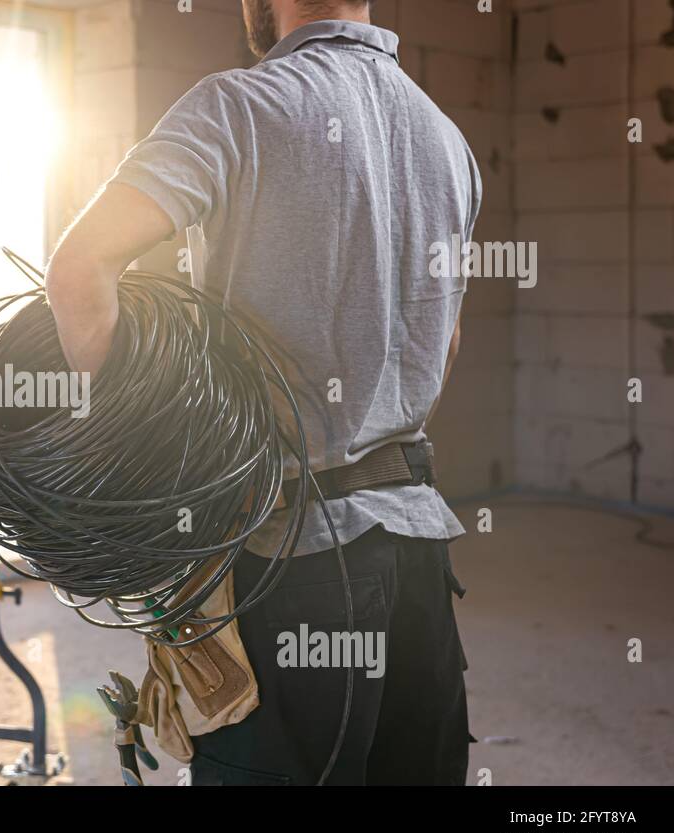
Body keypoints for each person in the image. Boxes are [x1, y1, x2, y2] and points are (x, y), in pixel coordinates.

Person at [43, 0, 480, 785]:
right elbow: (443, 342)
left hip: (287, 560)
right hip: (416, 546)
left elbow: (79, 271)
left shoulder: (239, 107)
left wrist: (138, 459)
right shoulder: (446, 139)